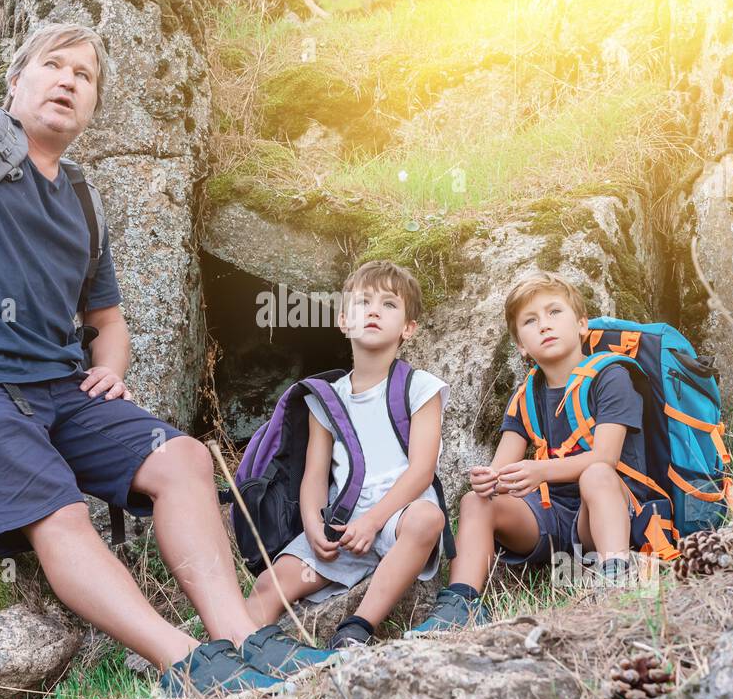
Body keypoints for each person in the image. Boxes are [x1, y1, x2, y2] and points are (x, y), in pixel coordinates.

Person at [0, 0, 331, 697]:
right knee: (62, 512)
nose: (66, 80)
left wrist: (112, 369)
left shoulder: (85, 200)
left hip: (59, 390)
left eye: (83, 76)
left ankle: (244, 640)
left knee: (186, 458)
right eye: (52, 67)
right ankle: (186, 662)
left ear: (93, 106)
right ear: (15, 84)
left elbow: (108, 318)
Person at [410, 271, 656, 634]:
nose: (545, 325)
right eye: (530, 321)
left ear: (582, 325)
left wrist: (539, 471)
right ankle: (460, 604)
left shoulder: (611, 377)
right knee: (476, 502)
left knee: (597, 474)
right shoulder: (526, 395)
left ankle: (614, 578)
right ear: (521, 345)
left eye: (555, 312)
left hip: (603, 515)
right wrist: (489, 480)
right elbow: (503, 468)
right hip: (547, 518)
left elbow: (605, 457)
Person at [244, 261, 449, 649]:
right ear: (343, 320)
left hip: (397, 515)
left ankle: (356, 628)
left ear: (408, 328)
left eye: (389, 304)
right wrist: (312, 527)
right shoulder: (327, 398)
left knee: (427, 518)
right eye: (363, 302)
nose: (374, 311)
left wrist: (373, 522)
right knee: (271, 582)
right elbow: (315, 476)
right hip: (342, 524)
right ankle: (245, 649)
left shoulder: (421, 388)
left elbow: (422, 470)